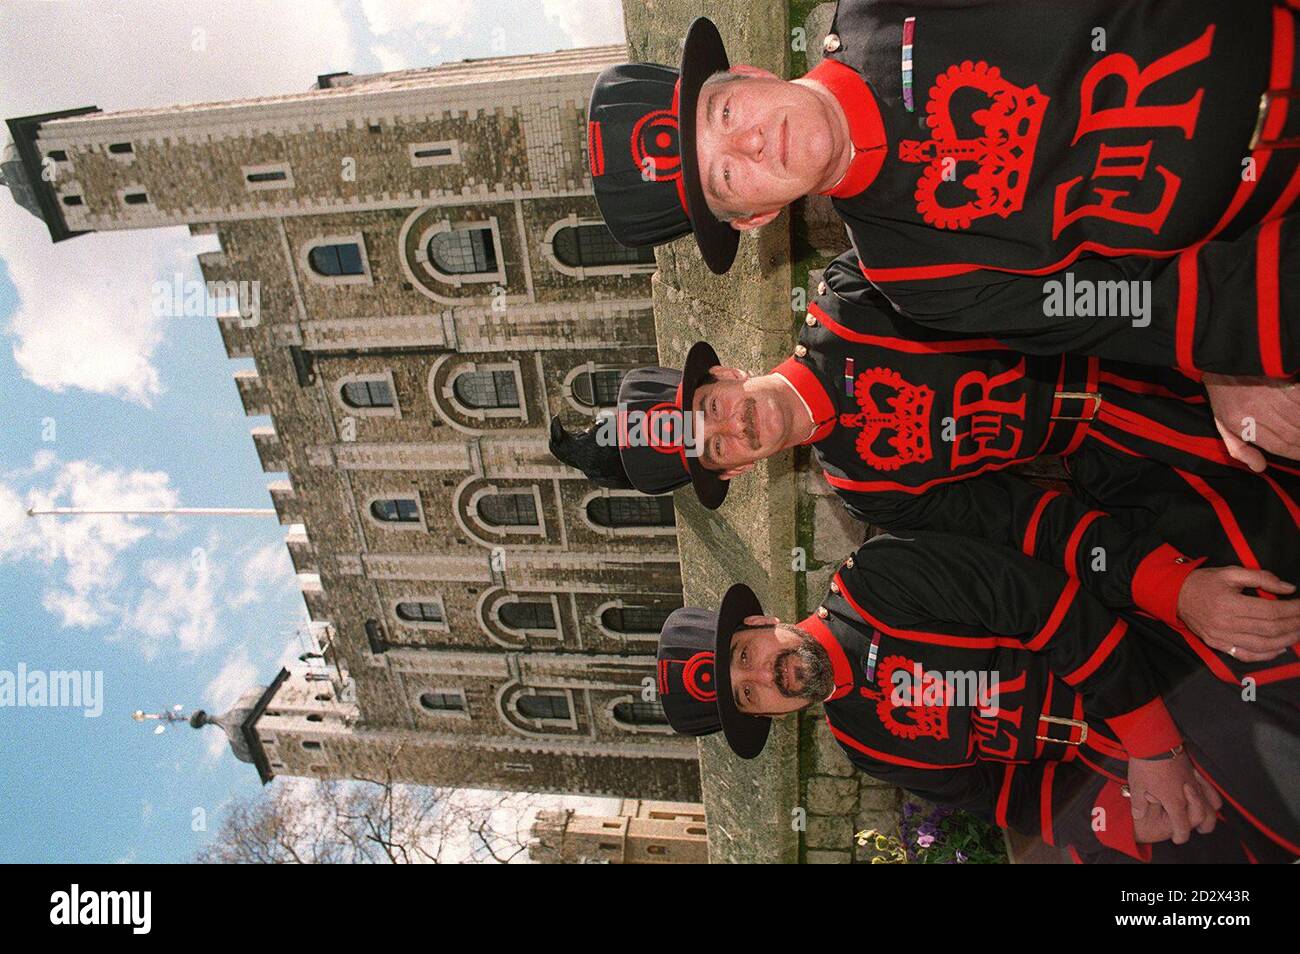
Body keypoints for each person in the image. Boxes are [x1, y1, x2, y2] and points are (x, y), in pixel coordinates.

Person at [551, 252, 1300, 673]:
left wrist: (1208, 346)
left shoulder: (861, 292)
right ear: (738, 472)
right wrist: (1174, 588)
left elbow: (1059, 256)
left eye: (712, 409)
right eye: (717, 449)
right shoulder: (870, 493)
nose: (736, 426)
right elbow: (1027, 523)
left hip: (1183, 338)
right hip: (1148, 465)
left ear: (722, 377)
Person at [585, 6, 1299, 424]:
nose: (749, 140)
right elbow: (1133, 305)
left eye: (725, 111)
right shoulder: (919, 280)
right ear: (754, 217)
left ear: (752, 75)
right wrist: (1236, 357)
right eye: (726, 173)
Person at [654, 531, 1300, 862]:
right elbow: (1008, 796)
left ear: (763, 624)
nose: (770, 677)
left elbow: (1054, 610)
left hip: (1183, 669)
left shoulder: (876, 582)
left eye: (748, 658)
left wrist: (1155, 746)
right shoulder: (865, 746)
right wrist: (1121, 815)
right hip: (1141, 778)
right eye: (750, 696)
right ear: (764, 717)